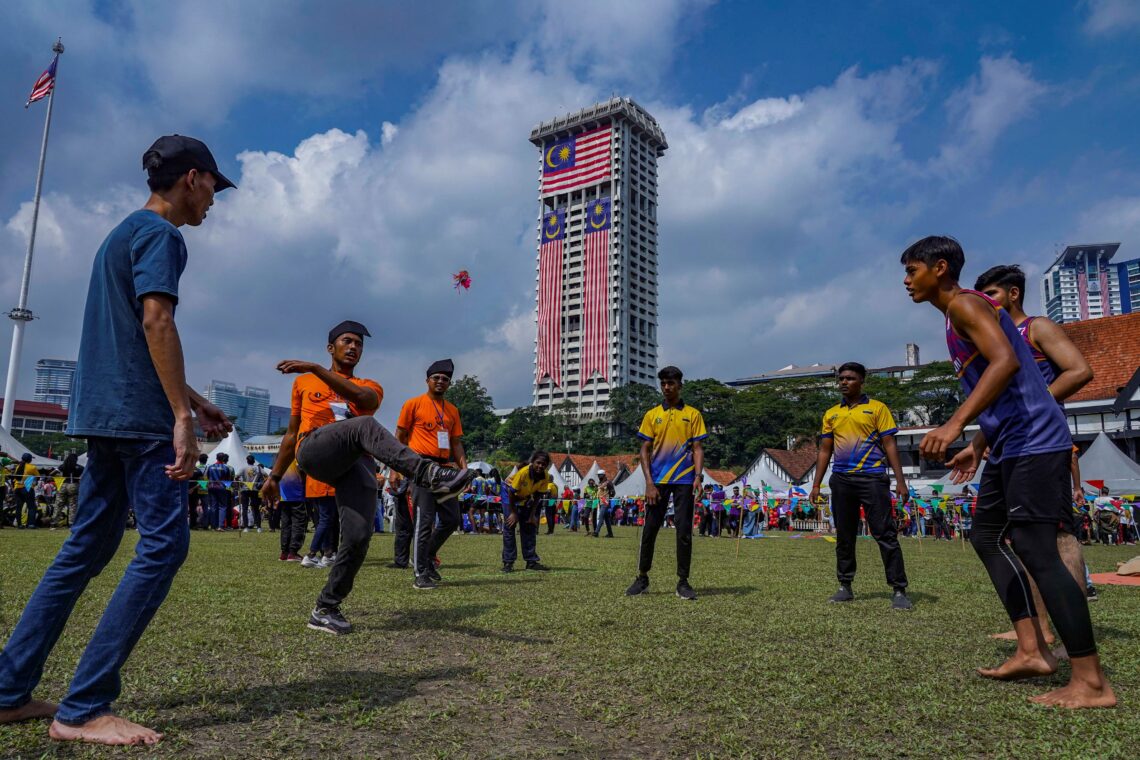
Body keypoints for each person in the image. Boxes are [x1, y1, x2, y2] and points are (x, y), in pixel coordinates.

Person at [0, 135, 236, 745]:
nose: (216, 199)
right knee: (163, 546)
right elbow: (157, 319)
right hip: (138, 420)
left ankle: (7, 691)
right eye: (215, 185)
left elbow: (134, 331)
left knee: (86, 547)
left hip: (103, 412)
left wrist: (196, 400)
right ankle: (84, 707)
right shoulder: (163, 236)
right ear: (192, 178)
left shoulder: (122, 233)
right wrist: (181, 417)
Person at [902, 235, 1114, 708]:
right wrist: (977, 444)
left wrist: (956, 423)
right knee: (985, 536)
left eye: (911, 270)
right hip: (1007, 445)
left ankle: (1091, 681)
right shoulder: (957, 316)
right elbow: (1006, 386)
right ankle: (1031, 650)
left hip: (1035, 443)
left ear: (939, 268)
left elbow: (1006, 362)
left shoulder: (964, 305)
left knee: (1039, 549)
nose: (905, 280)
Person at [261, 326, 473, 632]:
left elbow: (364, 399)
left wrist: (317, 368)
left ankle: (326, 608)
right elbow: (292, 433)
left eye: (358, 344)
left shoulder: (369, 385)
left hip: (355, 461)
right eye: (346, 341)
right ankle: (430, 475)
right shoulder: (304, 382)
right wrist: (275, 475)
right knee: (363, 425)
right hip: (315, 449)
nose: (353, 347)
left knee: (359, 535)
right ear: (330, 347)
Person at [973, 263, 1100, 636]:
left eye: (991, 295)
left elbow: (1079, 370)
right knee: (1022, 539)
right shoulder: (999, 342)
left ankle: (1073, 631)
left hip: (1044, 443)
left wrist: (1036, 402)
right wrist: (980, 441)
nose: (986, 304)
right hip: (1011, 446)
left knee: (1059, 536)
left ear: (1013, 294)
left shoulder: (1037, 328)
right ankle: (1039, 627)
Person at [809, 362, 912, 609]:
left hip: (873, 478)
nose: (844, 382)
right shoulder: (831, 413)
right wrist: (816, 484)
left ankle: (899, 590)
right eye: (841, 378)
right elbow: (825, 451)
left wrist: (900, 481)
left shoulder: (877, 408)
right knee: (844, 536)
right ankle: (845, 585)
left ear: (862, 381)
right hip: (842, 481)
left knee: (884, 534)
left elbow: (890, 445)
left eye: (850, 378)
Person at [626, 366, 707, 601]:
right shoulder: (652, 415)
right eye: (663, 383)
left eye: (671, 383)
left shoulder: (692, 414)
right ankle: (642, 578)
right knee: (649, 529)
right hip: (658, 481)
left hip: (684, 480)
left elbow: (698, 448)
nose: (666, 387)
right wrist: (649, 483)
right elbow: (644, 449)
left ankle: (683, 581)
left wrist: (699, 477)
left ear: (680, 385)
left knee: (683, 532)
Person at [395, 359, 468, 590]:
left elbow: (456, 443)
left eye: (445, 379)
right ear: (427, 380)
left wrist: (464, 470)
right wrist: (396, 469)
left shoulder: (452, 410)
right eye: (436, 377)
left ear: (449, 383)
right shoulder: (413, 404)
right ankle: (420, 573)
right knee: (424, 520)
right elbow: (399, 437)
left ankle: (427, 556)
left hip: (444, 468)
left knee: (451, 519)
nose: (440, 381)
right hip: (420, 467)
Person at [499, 454, 553, 572]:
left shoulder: (545, 476)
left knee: (529, 525)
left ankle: (531, 562)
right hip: (509, 493)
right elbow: (511, 493)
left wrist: (532, 515)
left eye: (543, 464)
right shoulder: (523, 473)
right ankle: (508, 562)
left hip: (524, 495)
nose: (540, 466)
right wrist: (513, 513)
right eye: (538, 463)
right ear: (532, 462)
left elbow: (538, 495)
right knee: (510, 525)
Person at [277, 461, 306, 561]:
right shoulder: (297, 457)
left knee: (286, 524)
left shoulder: (280, 458)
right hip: (296, 493)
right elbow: (302, 471)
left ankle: (284, 552)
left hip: (284, 495)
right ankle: (293, 552)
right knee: (298, 523)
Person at [53, 453, 84, 528]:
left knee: (59, 504)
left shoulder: (62, 466)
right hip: (74, 485)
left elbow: (52, 473)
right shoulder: (80, 467)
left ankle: (54, 522)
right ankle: (71, 523)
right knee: (73, 505)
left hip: (63, 485)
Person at [205, 453, 235, 531]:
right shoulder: (225, 468)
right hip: (221, 488)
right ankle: (220, 526)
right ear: (223, 458)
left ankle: (213, 526)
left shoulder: (210, 467)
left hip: (211, 487)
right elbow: (228, 479)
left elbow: (207, 477)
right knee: (222, 506)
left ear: (216, 458)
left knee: (213, 506)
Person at [12, 453, 39, 529]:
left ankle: (19, 525)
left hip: (17, 488)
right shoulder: (32, 467)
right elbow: (38, 477)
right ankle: (30, 524)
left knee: (18, 507)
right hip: (27, 487)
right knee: (31, 507)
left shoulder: (18, 466)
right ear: (30, 460)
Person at [238, 455, 265, 533]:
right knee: (256, 509)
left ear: (247, 461)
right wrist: (261, 483)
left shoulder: (243, 468)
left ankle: (246, 527)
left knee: (245, 508)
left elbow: (236, 476)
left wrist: (241, 483)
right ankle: (259, 527)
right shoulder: (259, 468)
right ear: (254, 461)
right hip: (255, 490)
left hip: (244, 490)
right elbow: (266, 475)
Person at [593, 470, 616, 538]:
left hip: (605, 503)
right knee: (606, 519)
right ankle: (610, 534)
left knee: (601, 517)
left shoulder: (608, 483)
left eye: (599, 475)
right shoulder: (600, 483)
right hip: (600, 502)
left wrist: (609, 497)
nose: (598, 476)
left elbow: (613, 492)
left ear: (602, 475)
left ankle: (596, 532)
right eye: (598, 475)